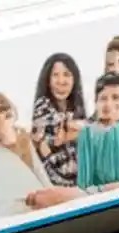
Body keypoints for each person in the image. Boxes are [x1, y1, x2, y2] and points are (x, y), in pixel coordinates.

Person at [0, 92, 115, 217]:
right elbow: (41, 199)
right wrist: (98, 193)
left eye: (6, 106)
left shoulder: (23, 144)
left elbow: (48, 190)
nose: (6, 110)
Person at [76, 73, 119, 189]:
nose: (109, 104)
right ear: (96, 102)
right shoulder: (87, 134)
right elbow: (84, 184)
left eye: (116, 97)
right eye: (103, 98)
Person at [31, 53, 87, 187]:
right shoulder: (42, 106)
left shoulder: (76, 109)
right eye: (55, 75)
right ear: (48, 81)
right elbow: (54, 142)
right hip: (57, 184)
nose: (61, 81)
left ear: (74, 80)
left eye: (66, 75)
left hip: (81, 183)